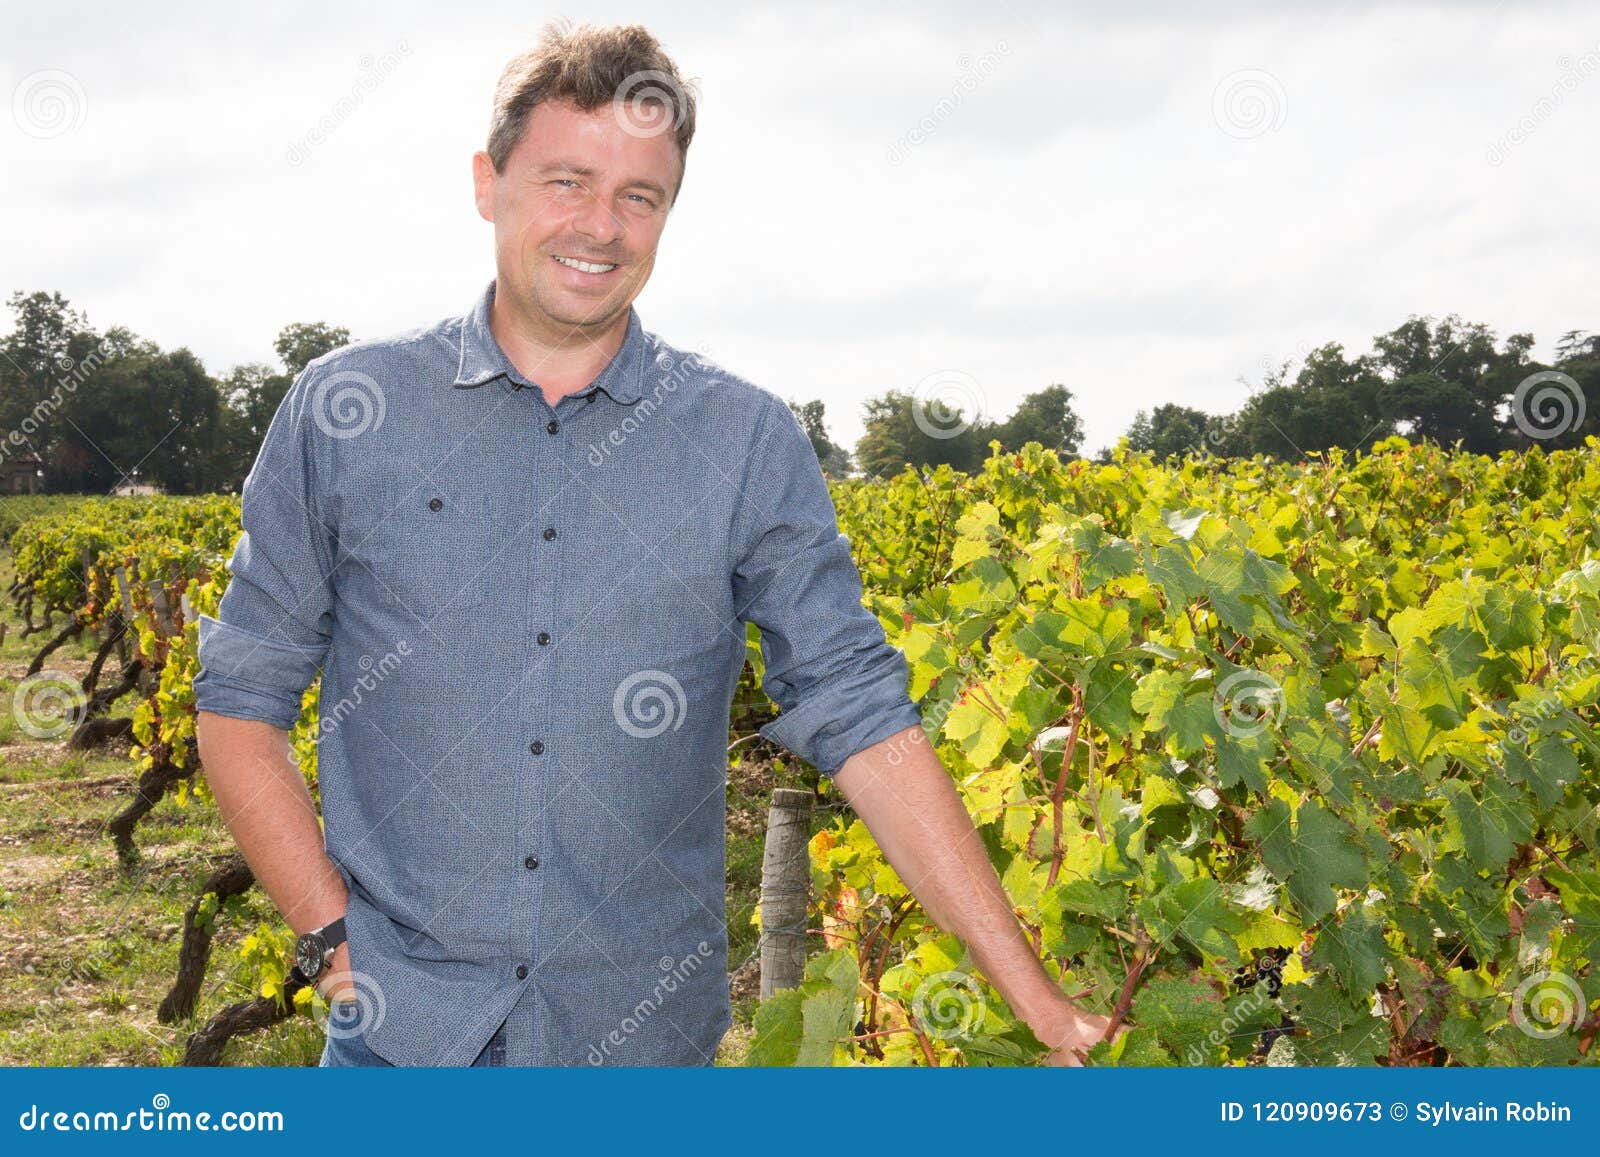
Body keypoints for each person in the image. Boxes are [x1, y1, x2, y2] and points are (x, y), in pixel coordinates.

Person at [193, 19, 1118, 1067]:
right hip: (402, 1042)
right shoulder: (347, 410)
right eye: (566, 180)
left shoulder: (745, 438)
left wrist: (1038, 1000)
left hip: (639, 1046)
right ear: (487, 182)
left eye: (641, 196)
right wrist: (329, 935)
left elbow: (861, 715)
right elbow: (240, 697)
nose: (602, 224)